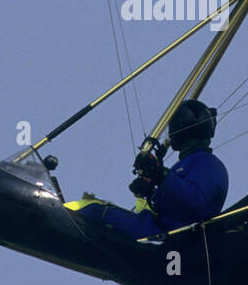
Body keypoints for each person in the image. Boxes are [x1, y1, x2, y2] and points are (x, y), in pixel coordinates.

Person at [76, 100, 229, 239]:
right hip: (158, 227)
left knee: (96, 212)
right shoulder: (184, 165)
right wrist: (150, 191)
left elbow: (195, 201)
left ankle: (62, 221)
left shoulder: (208, 163)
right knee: (94, 207)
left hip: (172, 236)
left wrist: (161, 176)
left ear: (181, 128)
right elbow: (171, 201)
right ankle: (64, 216)